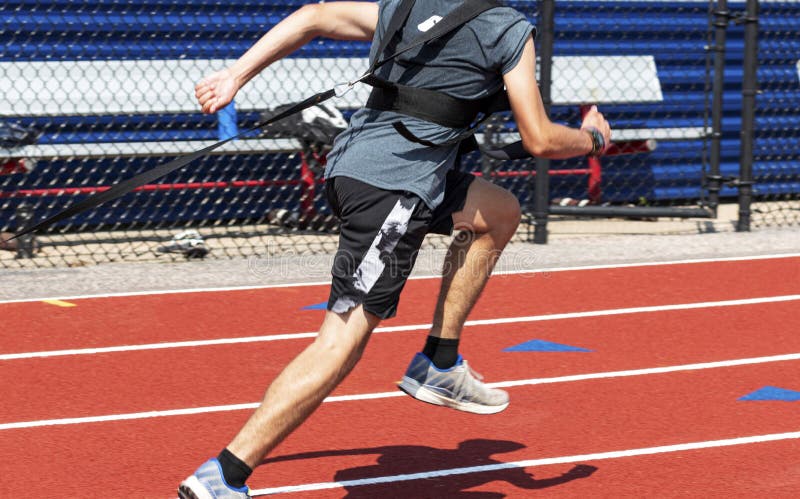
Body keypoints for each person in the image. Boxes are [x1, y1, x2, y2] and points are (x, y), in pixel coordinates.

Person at [180, 1, 610, 497]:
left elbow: (313, 16)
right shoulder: (507, 28)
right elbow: (539, 138)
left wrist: (236, 75)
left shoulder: (406, 4)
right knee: (340, 343)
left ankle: (440, 361)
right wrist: (593, 139)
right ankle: (225, 474)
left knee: (498, 212)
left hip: (361, 165)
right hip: (394, 186)